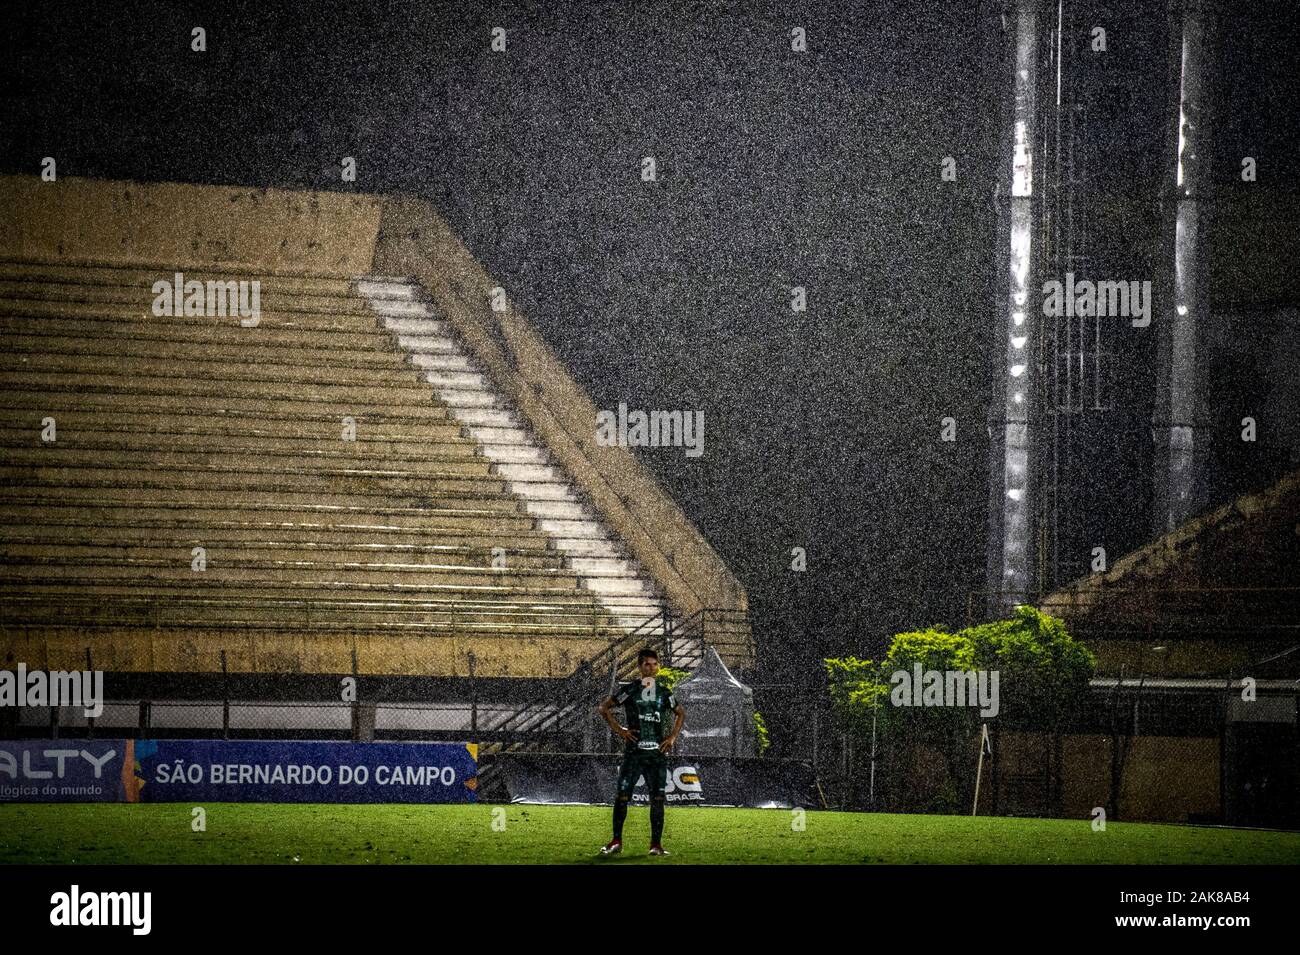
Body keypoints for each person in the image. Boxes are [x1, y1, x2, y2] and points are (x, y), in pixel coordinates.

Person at [596, 647, 685, 856]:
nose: (651, 668)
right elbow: (603, 708)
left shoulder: (664, 692)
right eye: (647, 664)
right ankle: (616, 841)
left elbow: (681, 713)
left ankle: (656, 845)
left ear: (659, 667)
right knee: (622, 796)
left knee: (658, 799)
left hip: (656, 756)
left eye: (654, 664)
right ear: (639, 667)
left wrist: (672, 737)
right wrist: (621, 730)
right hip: (634, 754)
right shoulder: (630, 690)